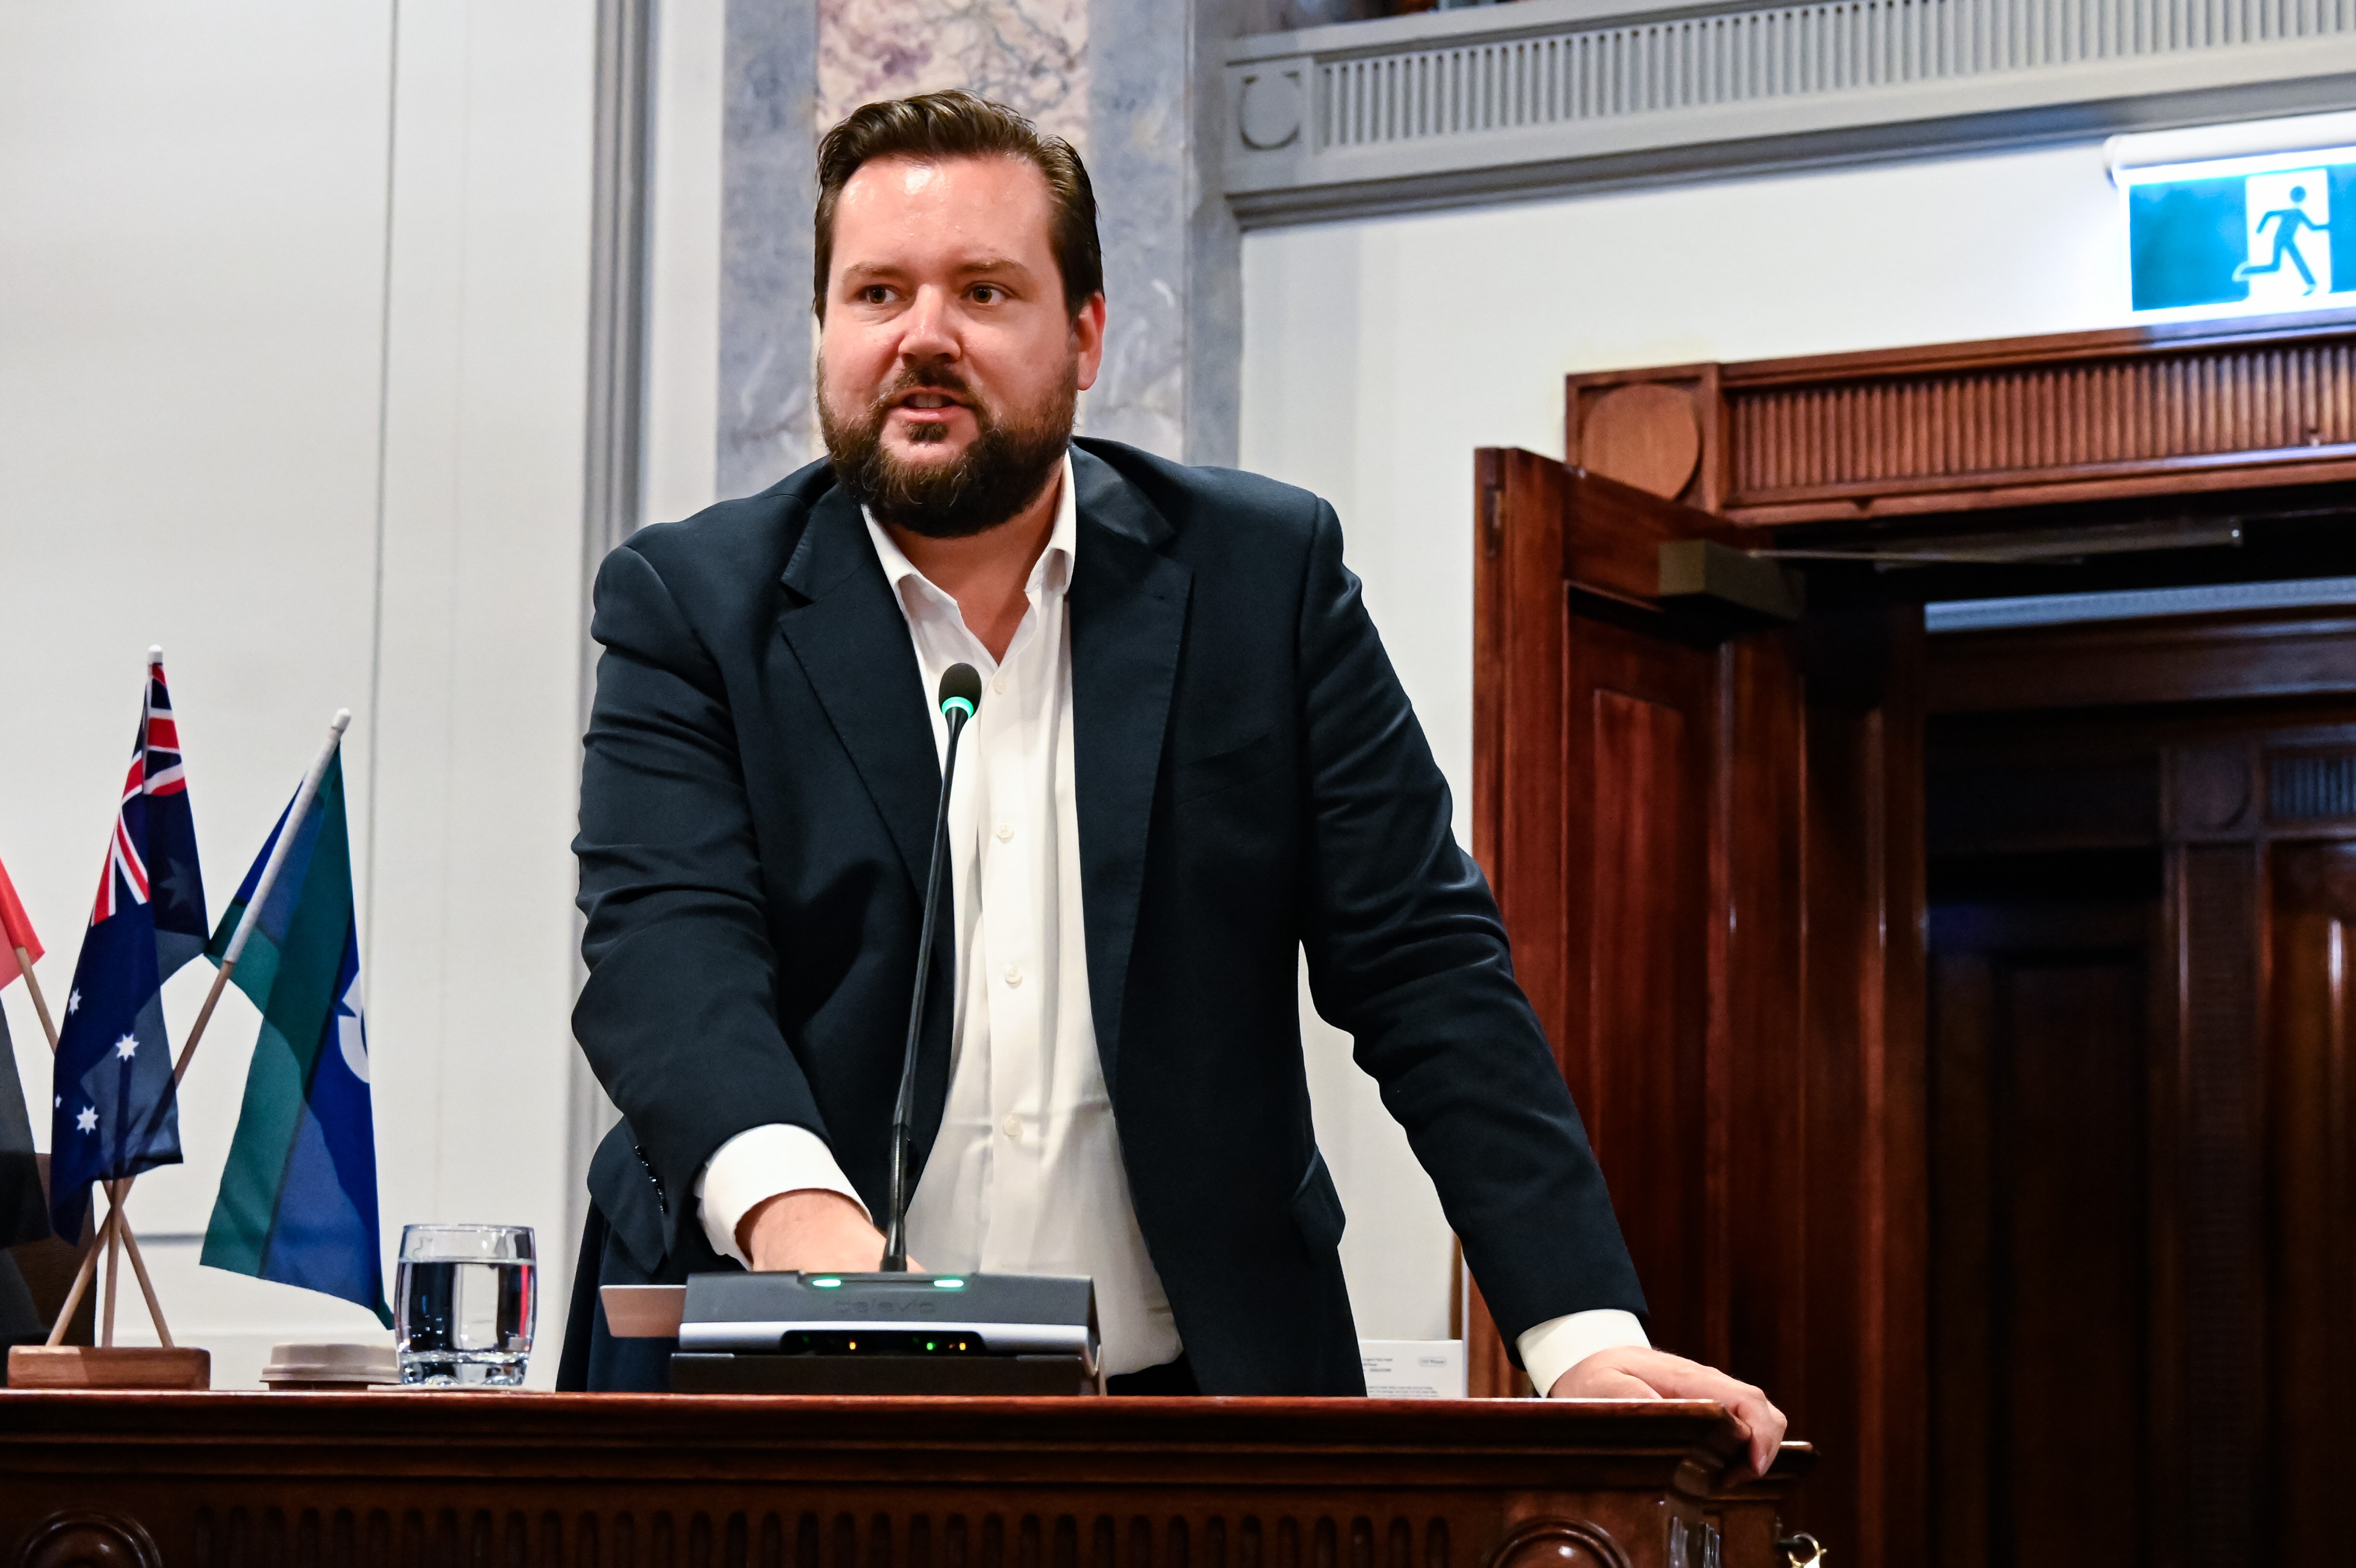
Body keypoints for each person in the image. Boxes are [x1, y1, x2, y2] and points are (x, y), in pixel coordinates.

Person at [559, 89, 1785, 1474]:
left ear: (1084, 335)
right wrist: (805, 1228)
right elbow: (669, 949)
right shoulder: (690, 602)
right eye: (877, 292)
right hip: (790, 1400)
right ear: (827, 331)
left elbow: (1424, 965)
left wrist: (1578, 1332)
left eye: (983, 291)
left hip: (1192, 1408)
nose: (923, 338)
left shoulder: (1262, 581)